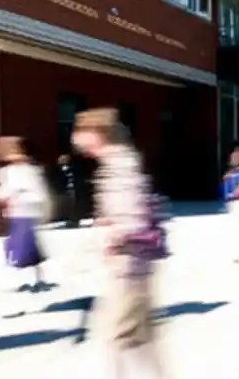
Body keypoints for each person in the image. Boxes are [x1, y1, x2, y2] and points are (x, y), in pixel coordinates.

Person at [72, 107, 165, 379]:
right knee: (141, 342)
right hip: (133, 266)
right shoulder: (120, 163)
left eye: (82, 135)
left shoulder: (120, 165)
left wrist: (112, 233)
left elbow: (134, 220)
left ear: (98, 134)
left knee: (113, 337)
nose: (79, 143)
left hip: (128, 267)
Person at [0, 136, 51, 292]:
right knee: (19, 247)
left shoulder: (30, 171)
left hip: (27, 213)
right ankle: (34, 279)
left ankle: (26, 279)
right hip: (15, 213)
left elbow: (39, 194)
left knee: (22, 248)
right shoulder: (8, 172)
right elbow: (7, 190)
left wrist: (15, 195)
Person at [58, 154, 80, 229]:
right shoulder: (60, 169)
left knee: (73, 205)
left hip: (72, 189)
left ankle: (74, 220)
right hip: (65, 190)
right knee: (66, 205)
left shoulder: (72, 168)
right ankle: (68, 219)